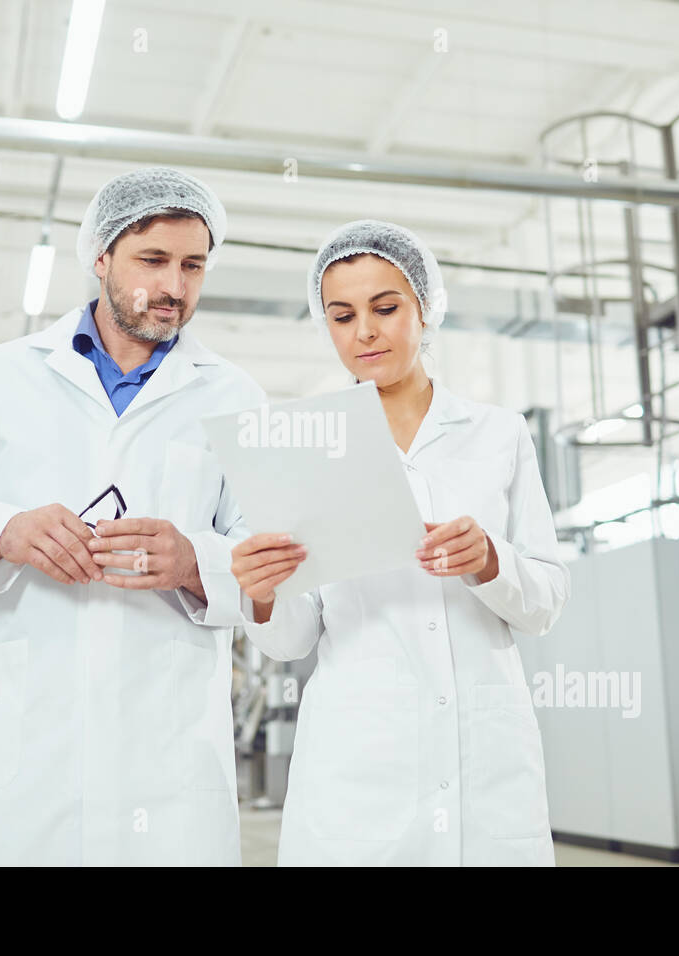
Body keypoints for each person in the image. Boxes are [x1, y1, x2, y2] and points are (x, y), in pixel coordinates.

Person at [0, 167, 265, 865]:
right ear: (101, 257)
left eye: (193, 265)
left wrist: (194, 562)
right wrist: (2, 531)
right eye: (153, 260)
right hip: (26, 758)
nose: (174, 286)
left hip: (169, 763)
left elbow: (275, 562)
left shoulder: (234, 397)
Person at [229, 220, 571, 866]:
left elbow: (547, 601)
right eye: (341, 315)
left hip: (484, 757)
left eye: (385, 308)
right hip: (360, 764)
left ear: (425, 306)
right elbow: (295, 636)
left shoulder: (498, 436)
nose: (364, 331)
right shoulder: (307, 445)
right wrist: (265, 593)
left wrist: (491, 561)